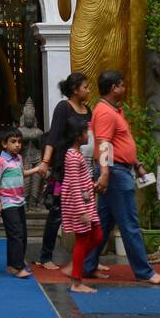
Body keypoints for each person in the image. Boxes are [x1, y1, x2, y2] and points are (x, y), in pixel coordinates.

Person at [83, 69, 160, 284]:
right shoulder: (105, 112)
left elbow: (118, 144)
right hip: (115, 173)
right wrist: (104, 173)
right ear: (113, 88)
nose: (124, 88)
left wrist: (137, 165)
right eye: (121, 85)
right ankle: (144, 272)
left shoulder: (112, 110)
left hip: (118, 170)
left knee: (103, 222)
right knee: (129, 224)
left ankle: (87, 265)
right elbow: (104, 145)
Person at [33, 72, 92, 270]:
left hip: (84, 166)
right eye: (85, 87)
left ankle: (90, 259)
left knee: (87, 209)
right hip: (63, 166)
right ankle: (45, 256)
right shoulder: (63, 108)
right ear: (75, 90)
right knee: (57, 212)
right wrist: (45, 162)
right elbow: (54, 136)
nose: (88, 90)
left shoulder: (88, 110)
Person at [61, 115, 102, 295]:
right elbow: (74, 185)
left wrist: (91, 185)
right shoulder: (72, 156)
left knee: (97, 235)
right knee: (83, 239)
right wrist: (81, 210)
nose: (88, 135)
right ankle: (76, 281)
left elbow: (80, 181)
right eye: (86, 131)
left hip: (86, 203)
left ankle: (74, 267)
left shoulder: (76, 154)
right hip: (81, 205)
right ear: (78, 135)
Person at [0, 126, 41, 277]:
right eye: (13, 142)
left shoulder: (19, 159)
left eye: (19, 142)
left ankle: (16, 261)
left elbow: (22, 174)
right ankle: (16, 266)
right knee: (16, 235)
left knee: (22, 234)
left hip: (20, 202)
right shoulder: (0, 161)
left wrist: (36, 169)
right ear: (4, 144)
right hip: (8, 203)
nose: (17, 145)